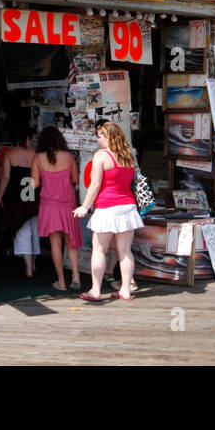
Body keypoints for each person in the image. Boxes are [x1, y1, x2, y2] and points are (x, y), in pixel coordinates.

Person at [73, 120, 143, 301]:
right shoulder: (129, 154)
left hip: (107, 207)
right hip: (128, 206)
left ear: (108, 136)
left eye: (100, 137)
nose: (98, 141)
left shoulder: (101, 156)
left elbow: (95, 185)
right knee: (125, 251)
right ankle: (125, 290)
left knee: (99, 250)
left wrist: (84, 207)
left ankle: (96, 290)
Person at [32, 126, 83, 291]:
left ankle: (61, 282)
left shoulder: (38, 158)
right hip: (68, 204)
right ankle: (76, 277)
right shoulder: (68, 157)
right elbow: (75, 179)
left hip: (49, 206)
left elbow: (35, 184)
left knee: (55, 243)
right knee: (71, 242)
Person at [0, 129, 39, 278]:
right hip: (33, 196)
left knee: (21, 231)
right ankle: (33, 264)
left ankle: (28, 267)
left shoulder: (10, 154)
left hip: (15, 197)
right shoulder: (37, 155)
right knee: (35, 230)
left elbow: (6, 177)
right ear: (27, 139)